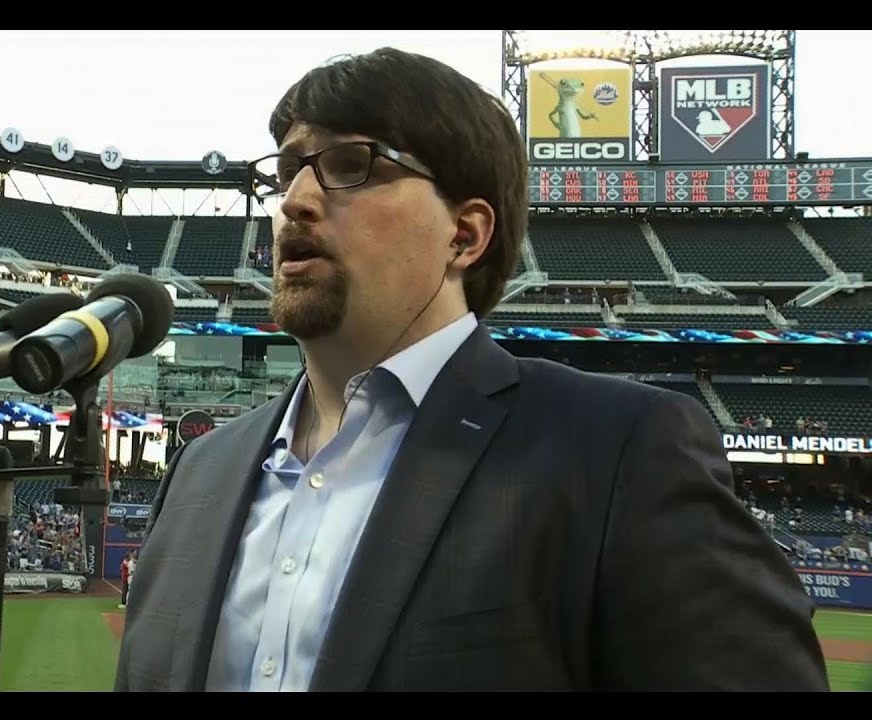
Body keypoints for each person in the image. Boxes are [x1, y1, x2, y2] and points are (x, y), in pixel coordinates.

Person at [115, 48, 828, 692]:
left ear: (465, 234)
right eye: (285, 171)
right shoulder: (201, 471)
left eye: (349, 165)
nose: (294, 200)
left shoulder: (618, 453)